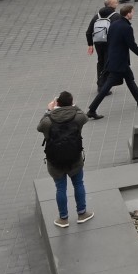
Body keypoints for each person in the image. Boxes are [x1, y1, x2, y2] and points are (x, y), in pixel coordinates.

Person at [86, 3, 138, 119]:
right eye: (132, 12)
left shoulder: (114, 24)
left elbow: (109, 40)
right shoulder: (126, 28)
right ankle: (92, 109)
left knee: (130, 79)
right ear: (128, 14)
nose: (133, 14)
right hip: (119, 61)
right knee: (106, 86)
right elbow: (132, 45)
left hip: (115, 59)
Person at [38, 91, 92, 228]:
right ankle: (82, 213)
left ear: (58, 103)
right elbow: (85, 116)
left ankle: (63, 219)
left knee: (60, 188)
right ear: (71, 103)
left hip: (54, 162)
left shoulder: (48, 121)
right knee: (78, 184)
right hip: (75, 159)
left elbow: (39, 127)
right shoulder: (78, 117)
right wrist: (74, 105)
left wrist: (48, 110)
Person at [83, 0, 118, 87]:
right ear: (111, 5)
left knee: (101, 61)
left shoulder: (97, 16)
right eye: (115, 2)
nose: (117, 4)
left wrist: (90, 45)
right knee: (108, 63)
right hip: (109, 43)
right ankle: (102, 84)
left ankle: (100, 81)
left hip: (98, 42)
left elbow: (88, 32)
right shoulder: (116, 16)